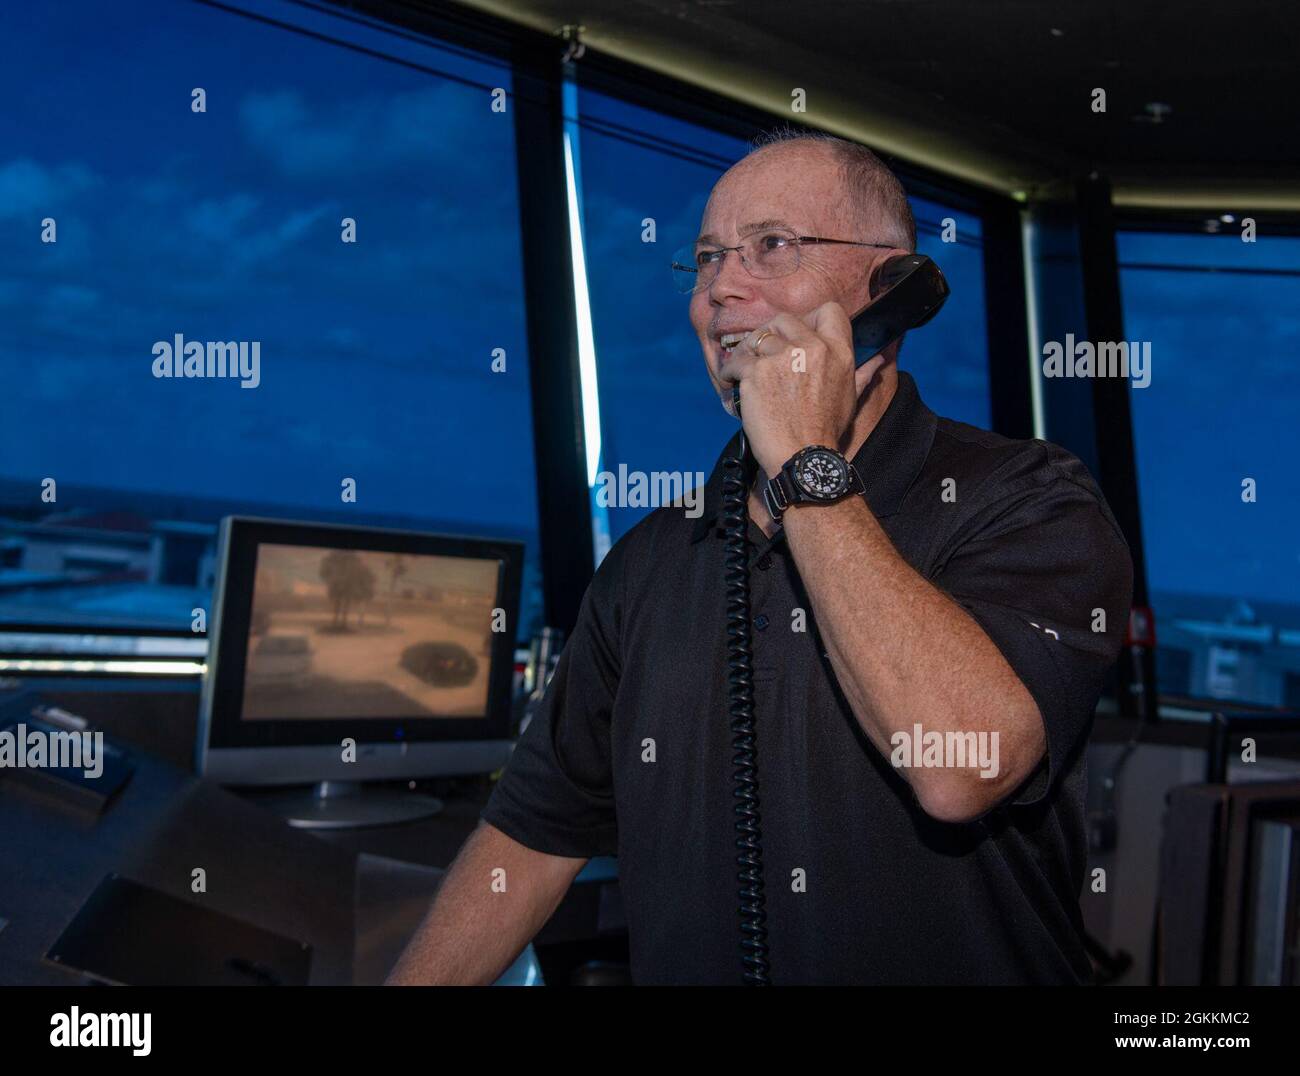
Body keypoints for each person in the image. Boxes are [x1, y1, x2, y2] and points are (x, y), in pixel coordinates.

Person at [387, 128, 1133, 985]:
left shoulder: (1030, 500)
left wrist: (806, 470)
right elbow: (529, 836)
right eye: (706, 260)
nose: (720, 290)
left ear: (890, 290)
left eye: (770, 247)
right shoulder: (649, 562)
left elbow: (960, 767)